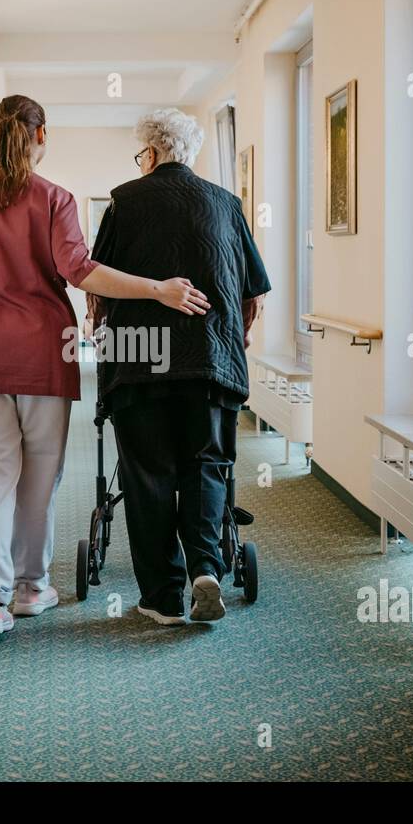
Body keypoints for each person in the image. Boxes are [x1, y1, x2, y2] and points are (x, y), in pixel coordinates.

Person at [0, 95, 210, 636]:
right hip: (42, 353)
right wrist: (158, 289)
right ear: (41, 136)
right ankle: (32, 588)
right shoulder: (54, 198)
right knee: (39, 479)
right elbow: (81, 272)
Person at [88, 108, 269, 626]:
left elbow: (95, 285)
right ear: (190, 152)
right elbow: (254, 294)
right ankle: (205, 570)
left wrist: (102, 339)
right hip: (209, 362)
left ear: (149, 152)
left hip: (138, 360)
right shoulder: (227, 204)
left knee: (147, 475)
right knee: (205, 466)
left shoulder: (123, 201)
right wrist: (237, 333)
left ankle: (162, 598)